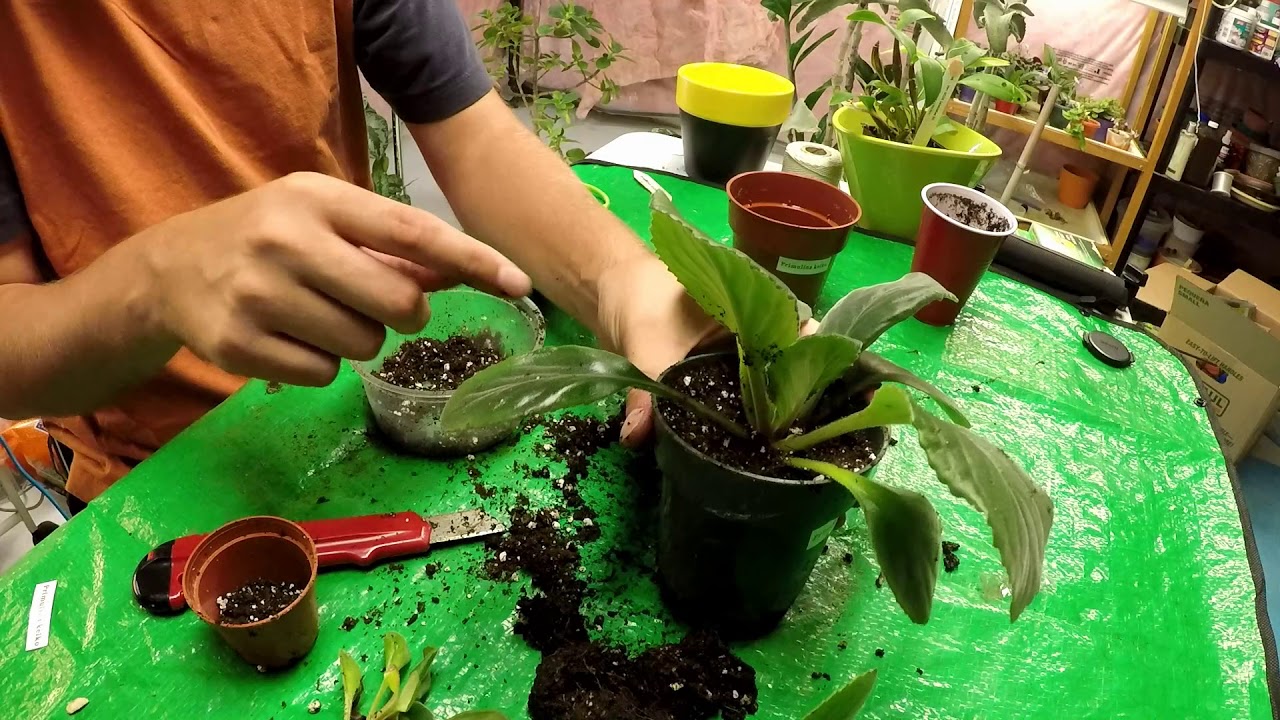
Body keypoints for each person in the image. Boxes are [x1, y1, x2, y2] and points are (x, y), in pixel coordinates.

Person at [0, 1, 716, 503]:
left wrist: (629, 285)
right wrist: (154, 284)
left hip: (346, 384)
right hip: (149, 467)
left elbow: (473, 135)